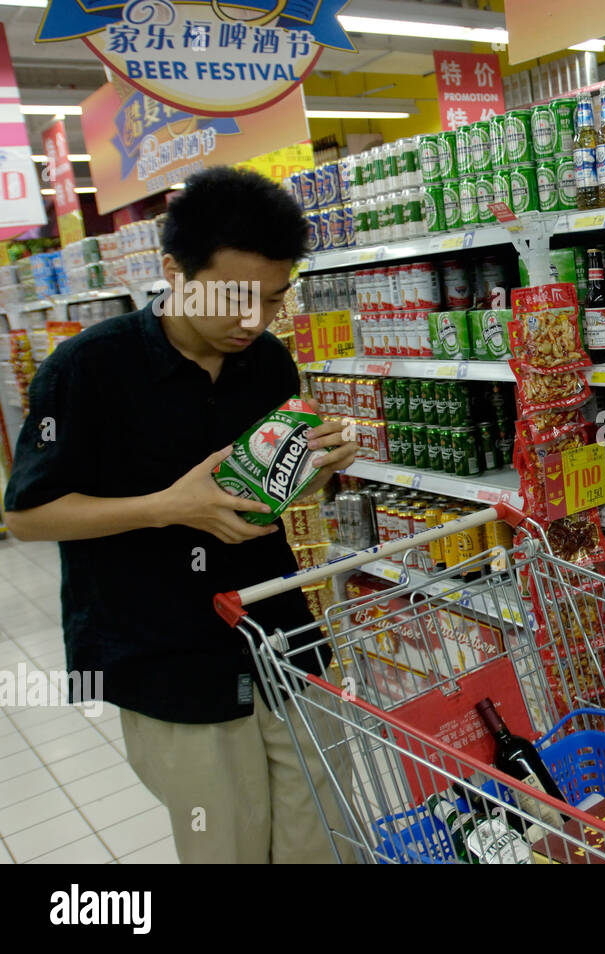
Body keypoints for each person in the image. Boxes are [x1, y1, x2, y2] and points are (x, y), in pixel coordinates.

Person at [3, 167, 359, 863]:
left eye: (275, 298)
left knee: (324, 827)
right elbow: (28, 515)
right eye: (234, 297)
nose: (253, 321)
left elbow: (278, 497)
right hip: (161, 646)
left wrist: (322, 467)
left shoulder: (268, 366)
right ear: (172, 270)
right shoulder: (86, 371)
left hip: (280, 628)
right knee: (224, 840)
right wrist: (172, 507)